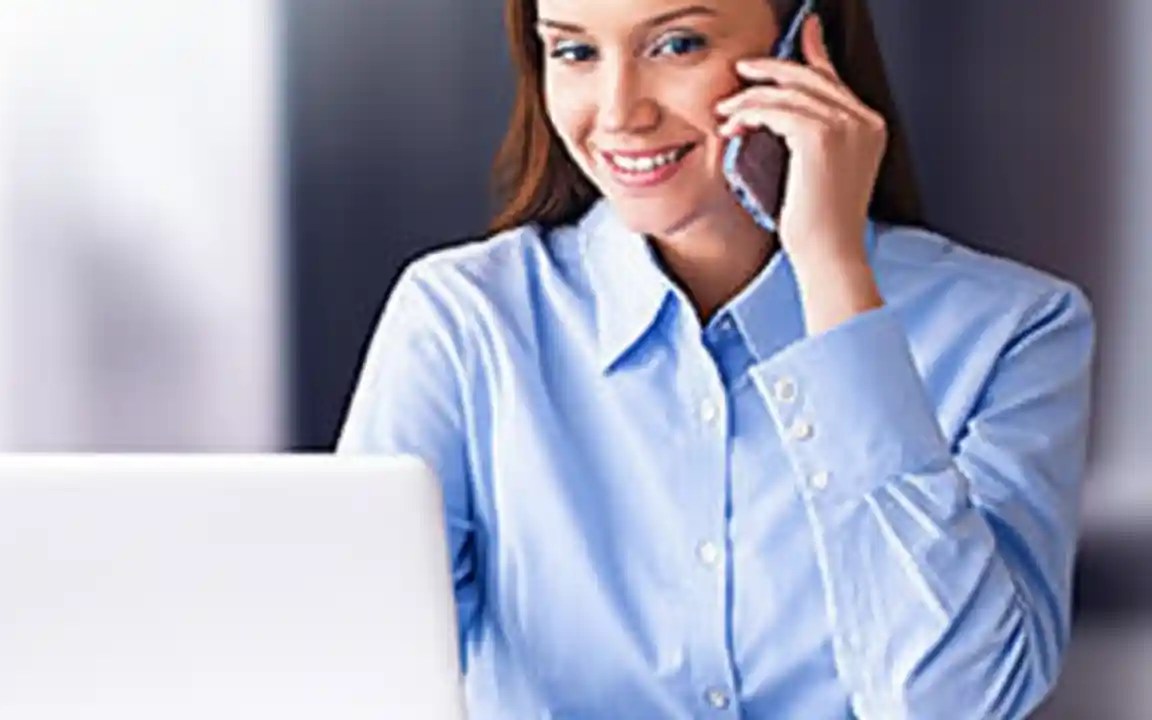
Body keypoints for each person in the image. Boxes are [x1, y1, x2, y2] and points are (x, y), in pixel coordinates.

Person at [337, 0, 1096, 717]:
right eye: (574, 50)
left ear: (803, 44)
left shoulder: (1011, 330)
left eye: (678, 44)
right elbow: (354, 675)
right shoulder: (465, 320)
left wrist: (832, 276)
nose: (618, 111)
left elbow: (954, 705)